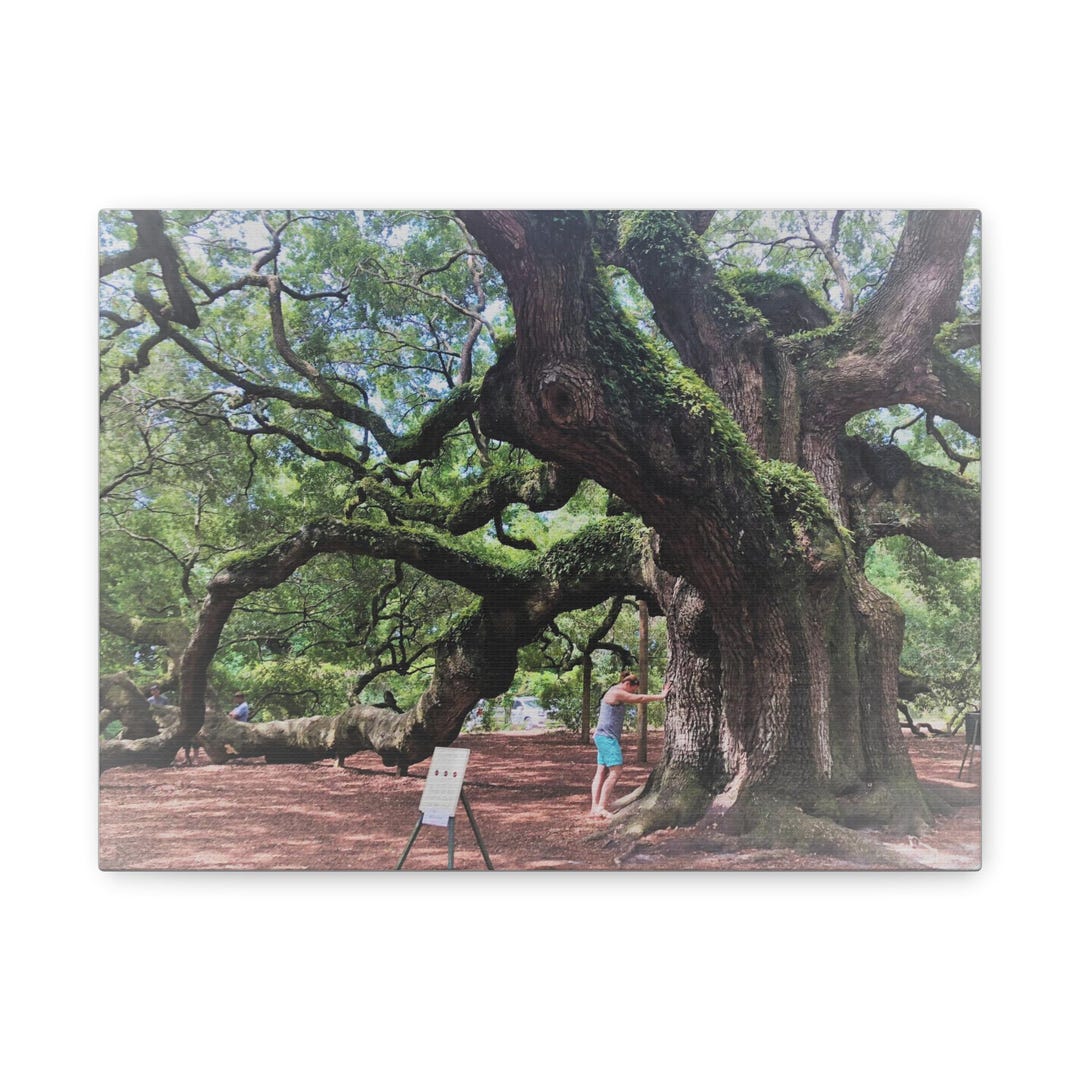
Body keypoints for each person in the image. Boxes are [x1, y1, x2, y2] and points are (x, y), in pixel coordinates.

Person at [590, 671, 671, 818]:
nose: (634, 692)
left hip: (602, 736)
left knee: (601, 772)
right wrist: (661, 696)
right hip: (606, 738)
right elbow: (640, 698)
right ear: (627, 684)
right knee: (616, 771)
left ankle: (594, 808)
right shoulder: (616, 693)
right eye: (633, 689)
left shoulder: (614, 690)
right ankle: (600, 807)